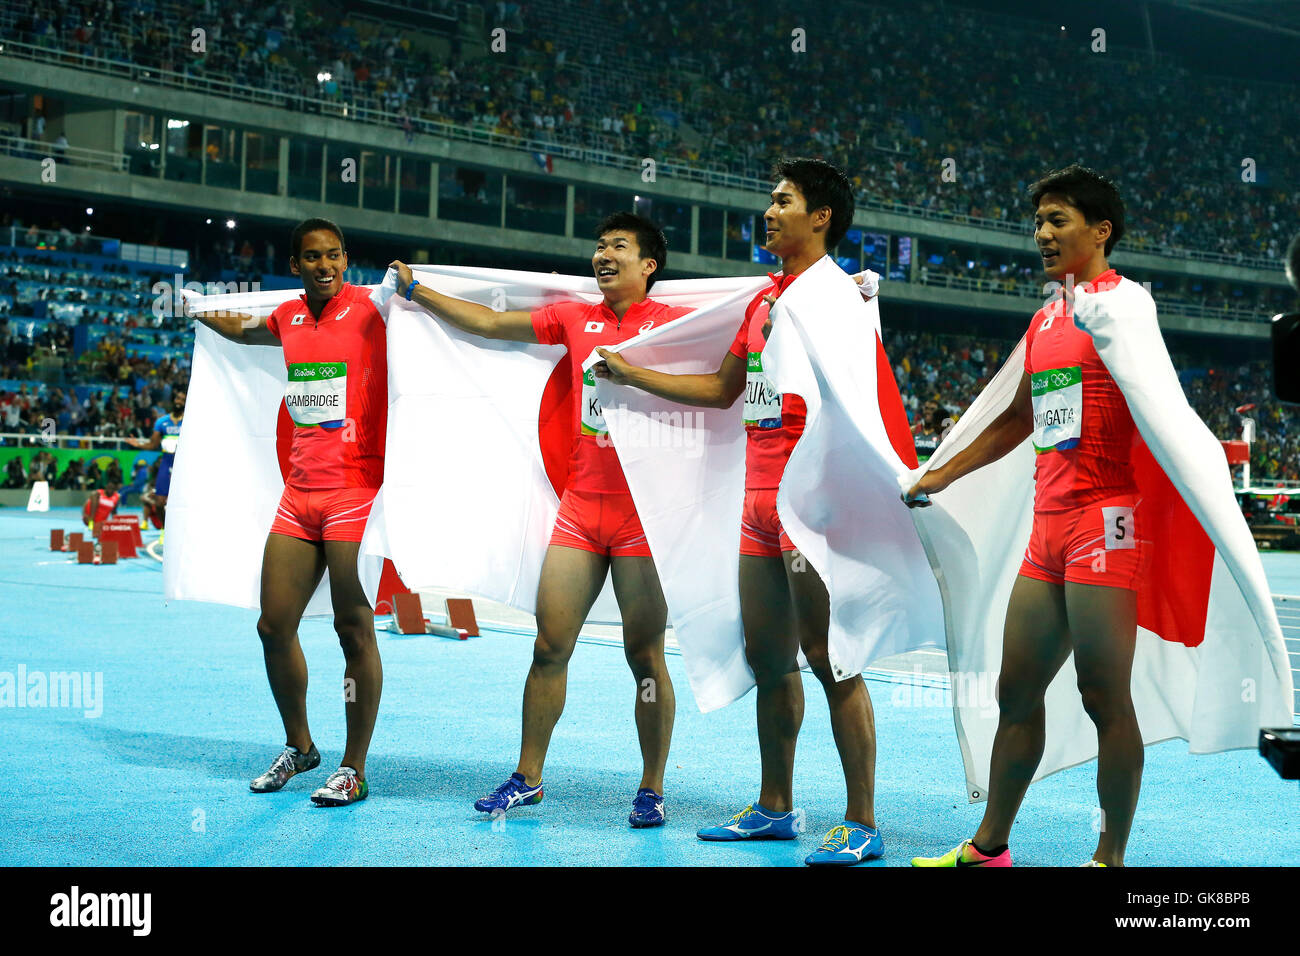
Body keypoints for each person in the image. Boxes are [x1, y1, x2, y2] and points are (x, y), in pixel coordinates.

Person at [593, 159, 886, 865]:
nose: (769, 210)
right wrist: (632, 374)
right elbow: (726, 388)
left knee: (831, 659)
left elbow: (855, 406)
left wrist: (821, 507)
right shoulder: (763, 302)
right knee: (771, 661)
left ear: (821, 217)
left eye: (783, 201)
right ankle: (775, 806)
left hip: (807, 506)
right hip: (756, 505)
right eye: (770, 200)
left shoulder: (834, 298)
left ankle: (863, 820)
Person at [392, 212, 692, 828]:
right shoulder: (572, 316)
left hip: (643, 519)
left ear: (649, 265)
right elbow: (491, 321)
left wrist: (829, 297)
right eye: (599, 246)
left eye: (618, 247)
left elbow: (750, 321)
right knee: (550, 646)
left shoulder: (677, 324)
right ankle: (527, 778)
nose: (603, 255)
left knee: (645, 655)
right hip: (580, 513)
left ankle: (653, 787)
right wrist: (417, 289)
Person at [908, 165, 1143, 867]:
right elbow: (1018, 417)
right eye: (1038, 221)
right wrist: (939, 474)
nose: (1041, 234)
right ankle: (990, 847)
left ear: (1100, 232)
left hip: (1107, 522)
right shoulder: (1047, 315)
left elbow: (1159, 409)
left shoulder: (1127, 308)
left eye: (1058, 221)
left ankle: (1109, 858)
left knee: (1104, 695)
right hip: (1050, 528)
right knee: (1016, 692)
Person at [185, 218, 389, 806]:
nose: (324, 266)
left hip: (354, 492)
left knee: (354, 629)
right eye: (311, 258)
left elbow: (433, 325)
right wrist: (198, 308)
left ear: (346, 259)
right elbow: (248, 331)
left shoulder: (376, 313)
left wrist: (417, 286)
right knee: (273, 625)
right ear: (295, 265)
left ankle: (353, 767)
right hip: (298, 496)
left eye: (333, 256)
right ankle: (301, 748)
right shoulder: (288, 317)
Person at [127, 388, 184, 531]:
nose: (179, 402)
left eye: (182, 400)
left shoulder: (190, 421)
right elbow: (153, 444)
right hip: (166, 461)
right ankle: (165, 531)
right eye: (177, 399)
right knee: (159, 502)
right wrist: (138, 444)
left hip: (183, 463)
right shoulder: (162, 422)